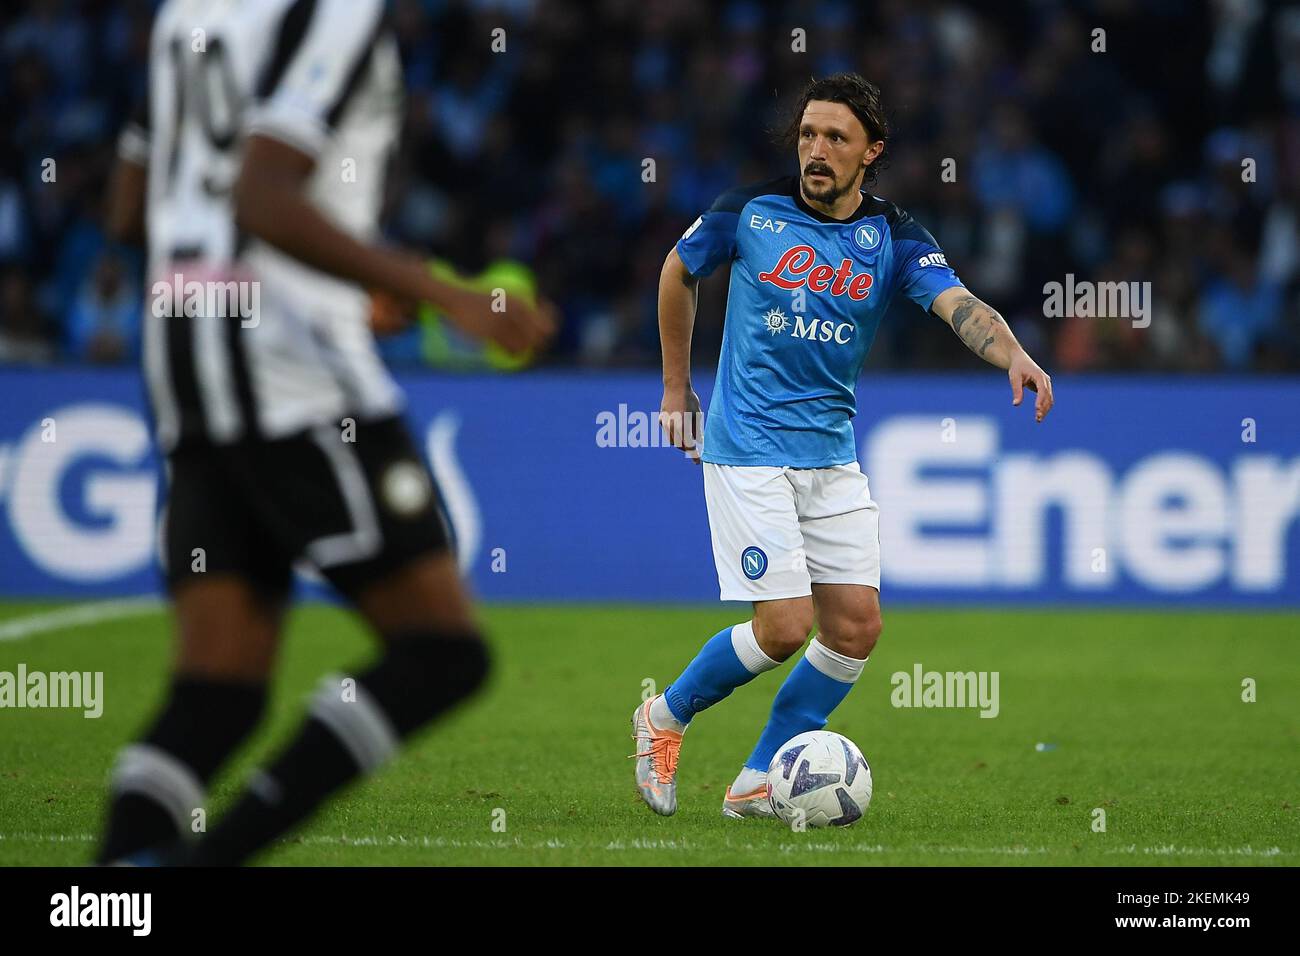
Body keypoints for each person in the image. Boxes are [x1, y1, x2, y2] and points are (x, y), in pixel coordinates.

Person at [96, 0, 553, 865]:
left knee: (217, 694)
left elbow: (130, 214)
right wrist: (440, 291)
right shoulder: (337, 10)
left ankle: (101, 905)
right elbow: (263, 199)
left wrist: (343, 280)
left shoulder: (182, 15)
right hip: (289, 376)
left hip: (188, 368)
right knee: (441, 653)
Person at [633, 73, 1053, 819]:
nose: (817, 151)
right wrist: (676, 386)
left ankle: (759, 778)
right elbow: (678, 269)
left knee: (856, 626)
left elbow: (959, 306)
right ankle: (664, 717)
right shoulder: (749, 212)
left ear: (872, 153)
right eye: (808, 136)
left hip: (830, 455)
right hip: (749, 449)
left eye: (836, 138)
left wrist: (1013, 353)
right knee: (786, 627)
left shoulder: (892, 235)